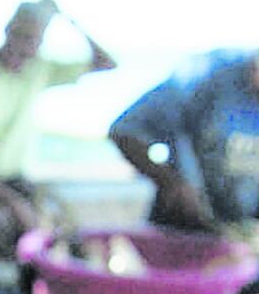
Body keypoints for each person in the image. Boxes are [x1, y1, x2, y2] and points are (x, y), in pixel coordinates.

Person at [0, 0, 116, 253]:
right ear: (7, 31)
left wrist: (69, 20)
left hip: (16, 182)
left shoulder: (37, 71)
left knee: (66, 230)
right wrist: (9, 201)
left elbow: (106, 63)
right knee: (1, 222)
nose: (22, 47)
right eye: (19, 36)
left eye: (32, 40)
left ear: (40, 44)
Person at [109, 50, 259, 230]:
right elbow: (125, 131)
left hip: (242, 235)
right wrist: (171, 182)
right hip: (185, 232)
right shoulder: (203, 76)